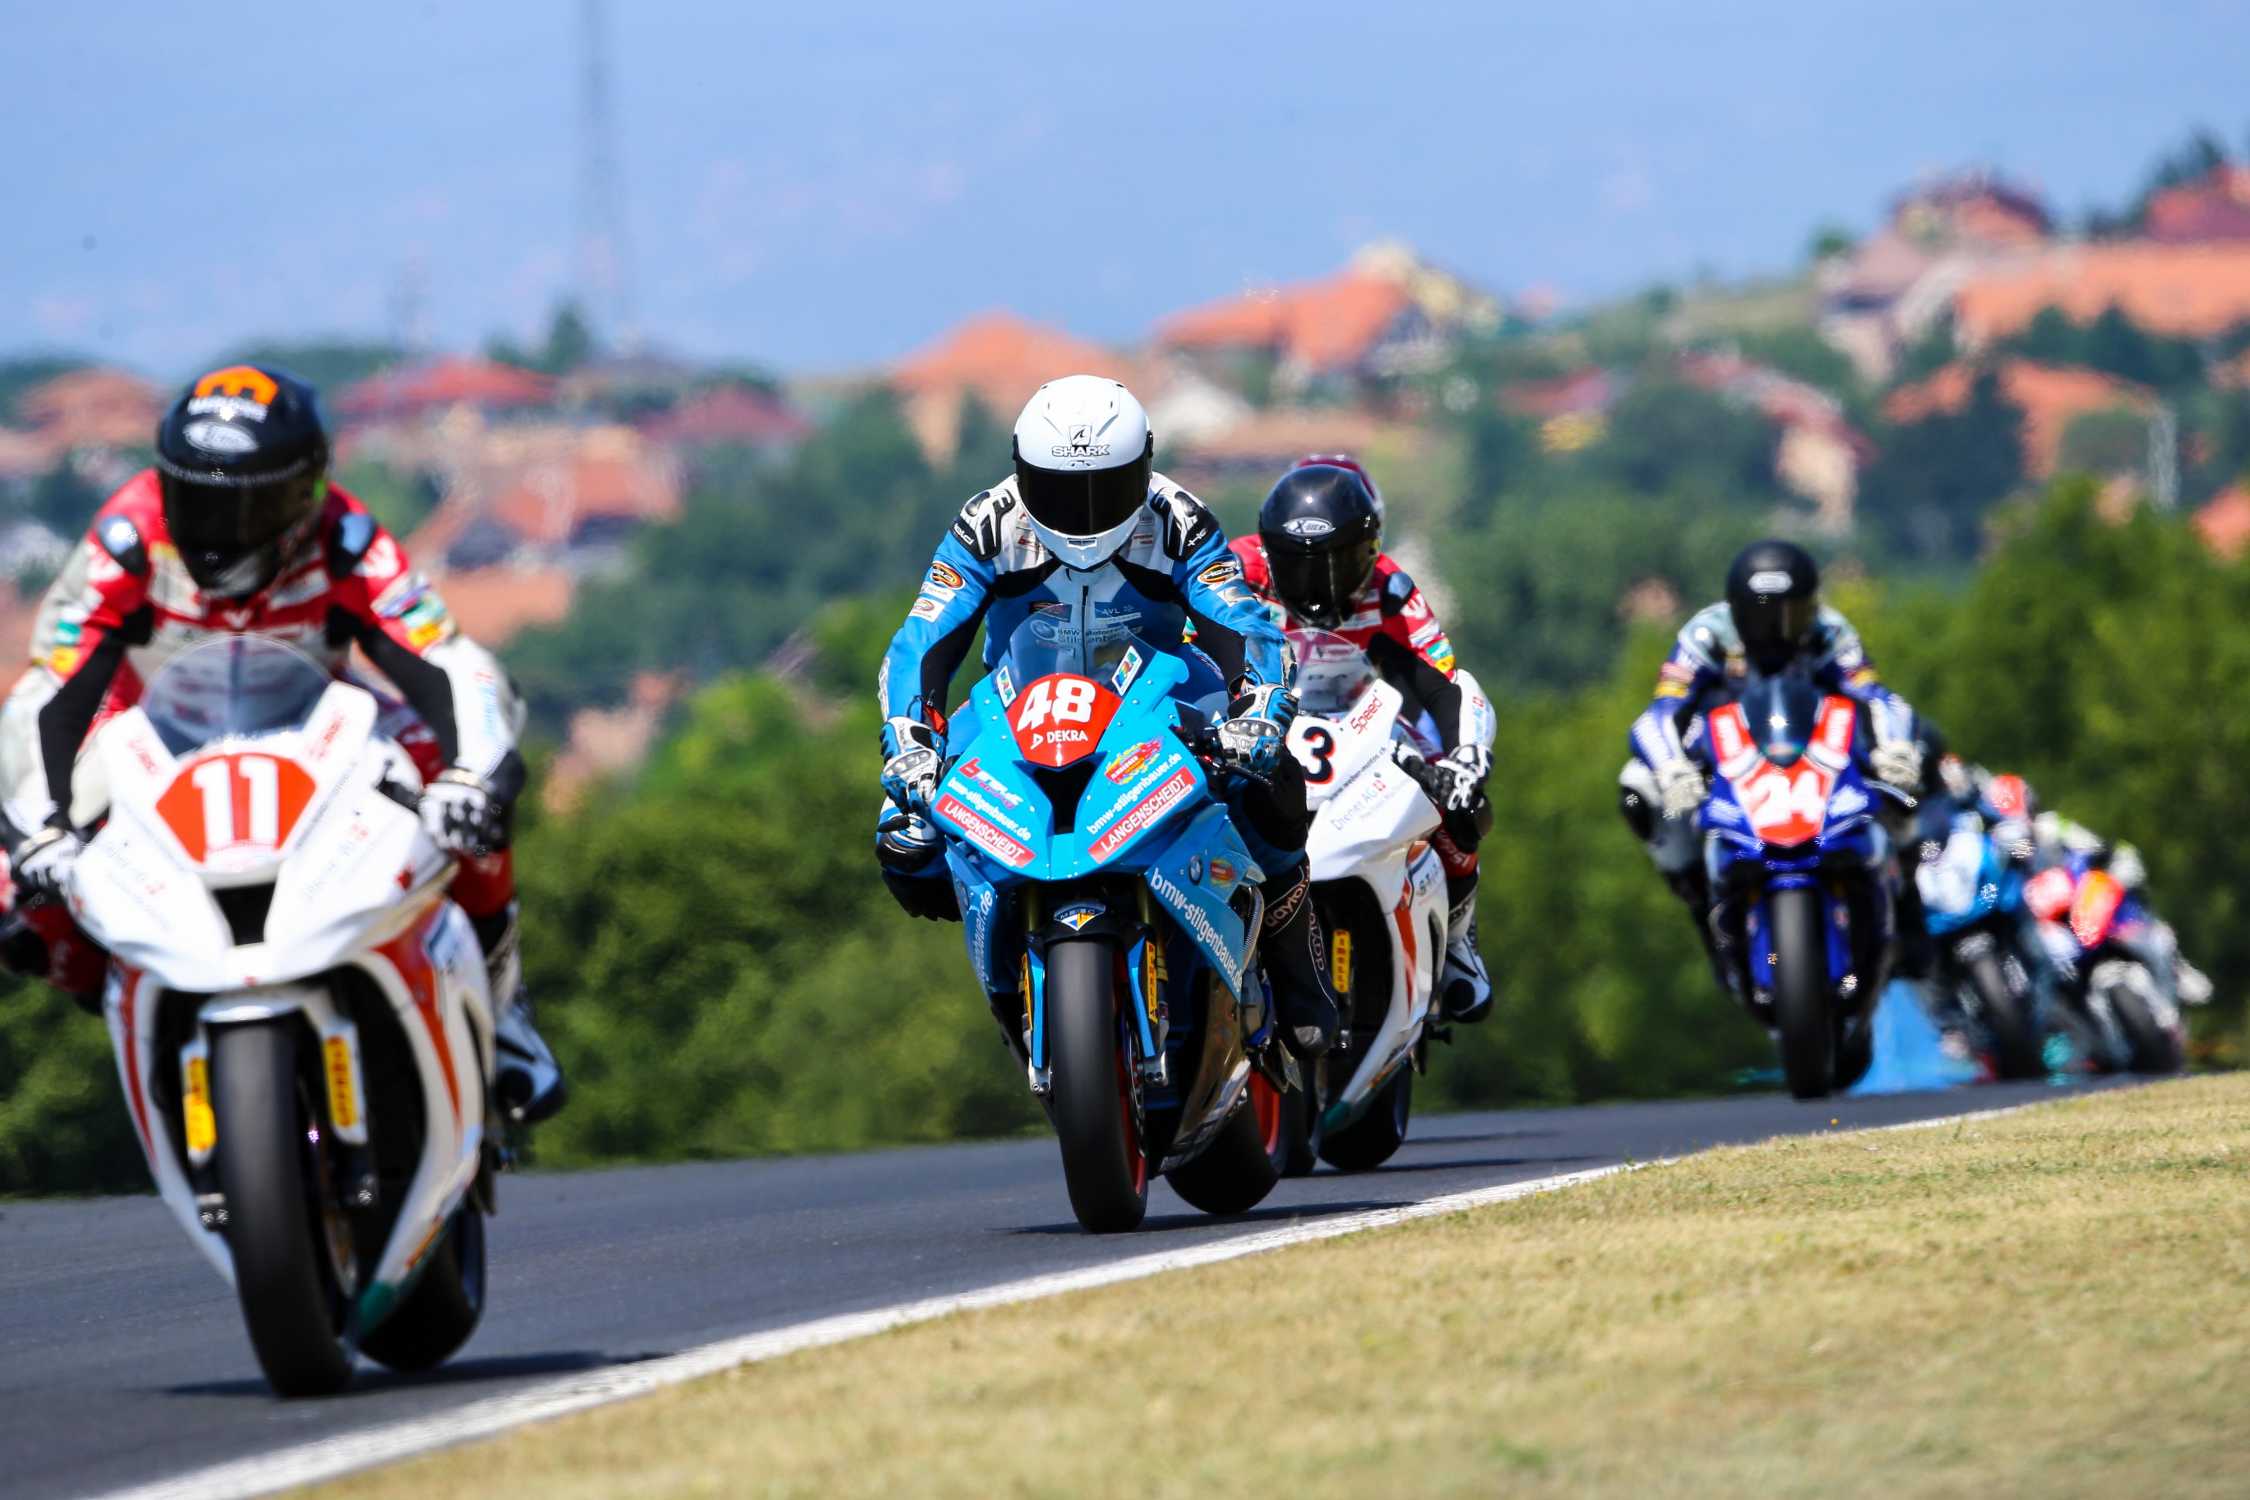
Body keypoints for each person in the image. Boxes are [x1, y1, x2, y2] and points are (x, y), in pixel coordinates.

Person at [0, 363, 564, 1124]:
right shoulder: (129, 537)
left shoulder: (348, 538)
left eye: (248, 506)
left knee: (466, 791)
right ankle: (122, 999)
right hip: (147, 733)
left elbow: (444, 656)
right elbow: (51, 684)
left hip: (316, 722)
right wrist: (41, 825)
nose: (215, 532)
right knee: (19, 890)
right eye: (195, 500)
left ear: (305, 494)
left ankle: (502, 1015)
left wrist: (475, 773)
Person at [875, 374, 1342, 1058]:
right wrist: (909, 737)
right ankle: (1009, 966)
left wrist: (1259, 705)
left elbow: (1242, 622)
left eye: (1106, 489)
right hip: (1017, 704)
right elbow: (921, 639)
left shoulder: (1179, 518)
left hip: (1159, 694)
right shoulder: (987, 525)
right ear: (1022, 472)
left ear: (1143, 468)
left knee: (1272, 783)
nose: (1084, 513)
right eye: (1062, 491)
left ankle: (1298, 965)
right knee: (901, 835)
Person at [1229, 457, 1498, 1023]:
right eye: (1299, 567)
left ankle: (1457, 943)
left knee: (1461, 805)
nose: (1320, 586)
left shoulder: (1392, 588)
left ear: (1371, 549)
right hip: (1265, 723)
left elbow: (1441, 680)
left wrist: (1464, 760)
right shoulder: (1236, 568)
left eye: (1340, 563)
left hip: (1365, 720)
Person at [1617, 539, 1931, 983]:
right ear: (1736, 611)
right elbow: (1660, 714)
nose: (1778, 631)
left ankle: (1908, 908)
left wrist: (1893, 748)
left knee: (1904, 785)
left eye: (1793, 613)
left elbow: (1876, 697)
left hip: (1818, 753)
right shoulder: (1705, 635)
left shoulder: (1829, 630)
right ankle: (1699, 897)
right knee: (1637, 787)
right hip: (1726, 759)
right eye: (1762, 617)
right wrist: (1671, 768)